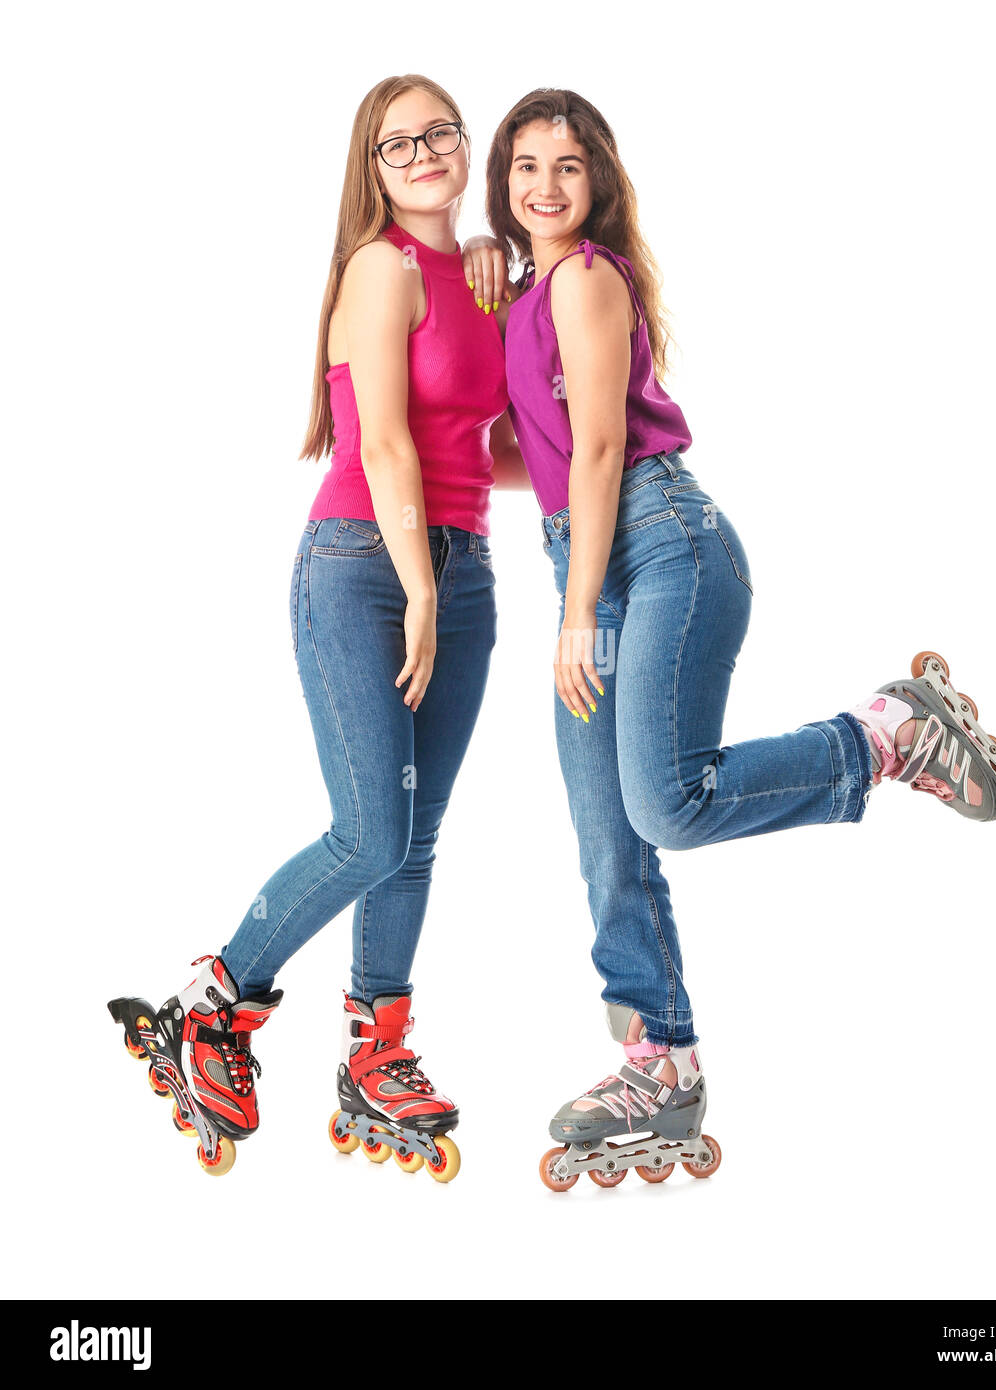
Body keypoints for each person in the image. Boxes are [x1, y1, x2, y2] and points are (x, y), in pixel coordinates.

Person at [483, 88, 996, 1192]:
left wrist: (583, 610)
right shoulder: (528, 296)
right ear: (506, 180)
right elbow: (537, 460)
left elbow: (599, 453)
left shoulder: (586, 280)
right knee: (609, 834)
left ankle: (881, 736)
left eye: (568, 166)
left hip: (658, 545)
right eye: (527, 165)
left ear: (596, 187)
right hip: (587, 551)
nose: (545, 185)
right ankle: (659, 1059)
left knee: (665, 803)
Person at [109, 74, 523, 1179]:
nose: (428, 151)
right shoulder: (377, 269)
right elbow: (384, 443)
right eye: (402, 143)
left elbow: (484, 449)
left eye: (444, 132)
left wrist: (599, 466)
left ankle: (377, 1052)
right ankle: (214, 1000)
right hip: (361, 569)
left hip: (464, 569)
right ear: (373, 167)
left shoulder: (480, 274)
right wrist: (418, 589)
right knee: (369, 831)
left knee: (414, 832)